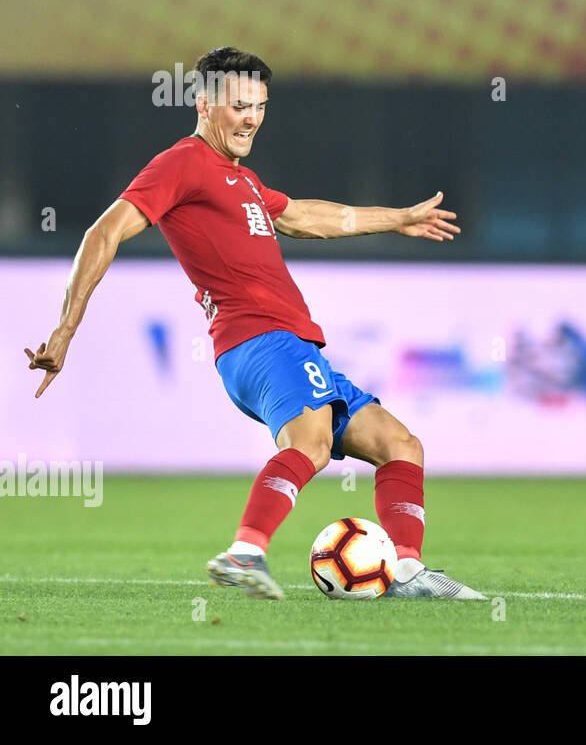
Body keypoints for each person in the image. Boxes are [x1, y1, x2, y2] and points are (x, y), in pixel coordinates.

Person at [26, 46, 483, 599]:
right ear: (202, 104)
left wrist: (398, 218)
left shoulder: (241, 181)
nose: (252, 119)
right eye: (241, 106)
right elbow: (103, 232)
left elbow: (307, 217)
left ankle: (407, 572)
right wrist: (66, 329)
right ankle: (245, 552)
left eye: (261, 106)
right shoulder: (183, 163)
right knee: (310, 444)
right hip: (259, 341)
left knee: (401, 445)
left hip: (294, 344)